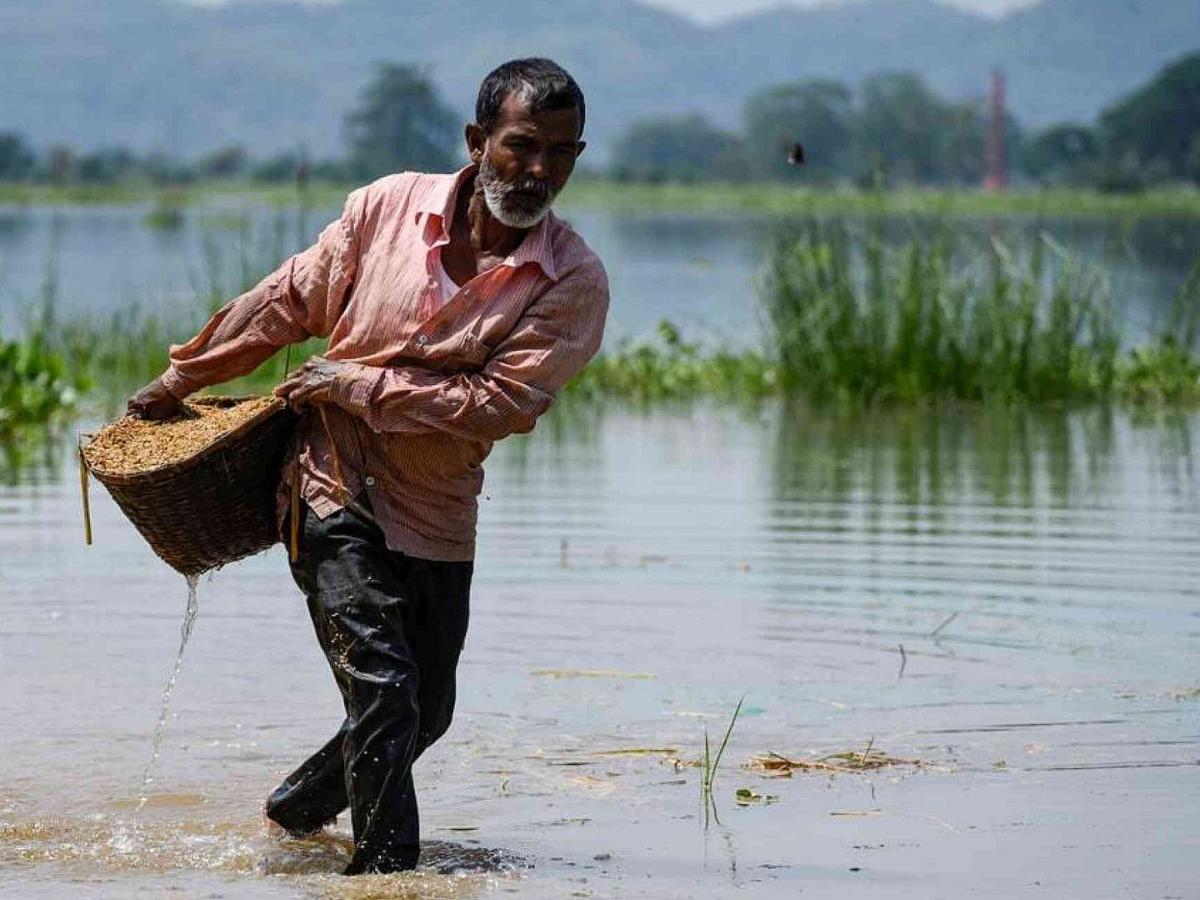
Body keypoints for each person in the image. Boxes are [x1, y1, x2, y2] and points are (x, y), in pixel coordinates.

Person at [127, 57, 609, 875]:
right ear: (477, 140)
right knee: (386, 690)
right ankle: (386, 881)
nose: (537, 171)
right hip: (330, 484)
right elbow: (287, 301)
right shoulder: (386, 209)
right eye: (521, 146)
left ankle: (295, 810)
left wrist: (355, 382)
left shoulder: (570, 281)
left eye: (559, 154)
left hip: (437, 505)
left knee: (429, 712)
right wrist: (180, 379)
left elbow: (498, 403)